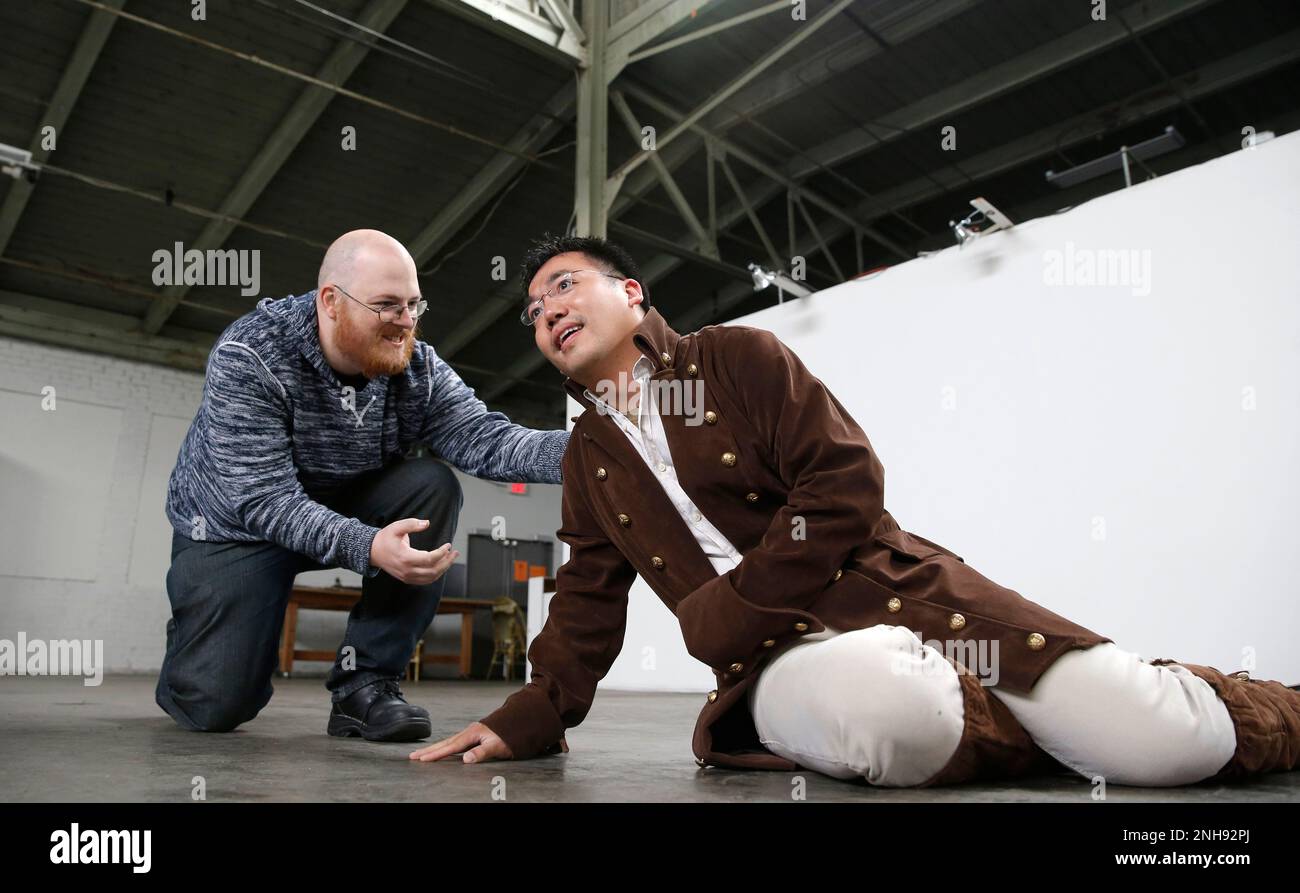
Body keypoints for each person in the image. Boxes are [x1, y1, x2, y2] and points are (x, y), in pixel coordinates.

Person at [410, 234, 1300, 787]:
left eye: (565, 286)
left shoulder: (736, 359)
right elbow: (586, 602)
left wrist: (723, 606)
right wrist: (531, 715)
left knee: (1165, 747)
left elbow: (842, 485)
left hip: (912, 595)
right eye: (532, 311)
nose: (546, 311)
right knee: (893, 714)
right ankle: (1027, 730)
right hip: (776, 664)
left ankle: (1251, 703)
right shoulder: (588, 460)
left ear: (632, 294)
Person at [158, 229, 567, 742]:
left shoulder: (417, 368)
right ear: (331, 301)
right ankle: (196, 632)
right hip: (234, 526)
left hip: (341, 502)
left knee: (430, 485)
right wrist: (367, 544)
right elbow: (263, 499)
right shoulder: (253, 354)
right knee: (216, 707)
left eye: (415, 305)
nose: (406, 322)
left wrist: (592, 448)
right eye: (387, 305)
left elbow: (485, 438)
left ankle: (365, 686)